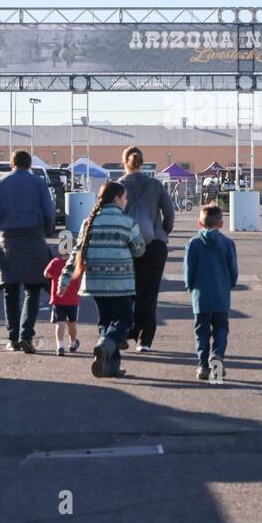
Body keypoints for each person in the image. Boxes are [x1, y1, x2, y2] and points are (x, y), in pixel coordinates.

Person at [58, 182, 146, 378]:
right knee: (124, 320)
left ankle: (110, 366)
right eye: (124, 198)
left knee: (106, 321)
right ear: (116, 198)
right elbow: (139, 250)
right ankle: (104, 345)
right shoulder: (127, 222)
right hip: (120, 283)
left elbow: (76, 253)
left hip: (95, 282)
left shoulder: (88, 222)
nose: (126, 201)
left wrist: (64, 279)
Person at [0, 150, 56, 353]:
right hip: (34, 239)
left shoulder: (1, 184)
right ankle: (26, 335)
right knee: (33, 289)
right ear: (29, 165)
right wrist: (47, 231)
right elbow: (49, 213)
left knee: (10, 290)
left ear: (12, 164)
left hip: (9, 240)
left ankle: (12, 338)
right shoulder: (39, 183)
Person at [118, 146, 175, 352]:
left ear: (124, 162)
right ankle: (145, 339)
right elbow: (169, 213)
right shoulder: (155, 185)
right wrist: (162, 232)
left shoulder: (118, 186)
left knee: (126, 291)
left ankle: (125, 329)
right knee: (149, 293)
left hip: (125, 246)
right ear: (142, 163)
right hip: (155, 245)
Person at [183, 203, 239, 382]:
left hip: (201, 296)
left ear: (200, 223)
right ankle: (217, 357)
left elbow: (189, 270)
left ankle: (202, 366)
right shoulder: (228, 244)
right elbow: (233, 270)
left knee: (202, 331)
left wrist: (189, 285)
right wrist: (230, 284)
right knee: (221, 328)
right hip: (221, 294)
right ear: (221, 224)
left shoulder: (193, 244)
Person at [43, 248, 81, 356]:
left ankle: (60, 346)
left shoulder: (55, 262)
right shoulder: (76, 263)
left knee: (60, 323)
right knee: (72, 323)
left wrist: (53, 275)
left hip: (58, 298)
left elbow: (46, 274)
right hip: (73, 299)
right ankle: (73, 343)